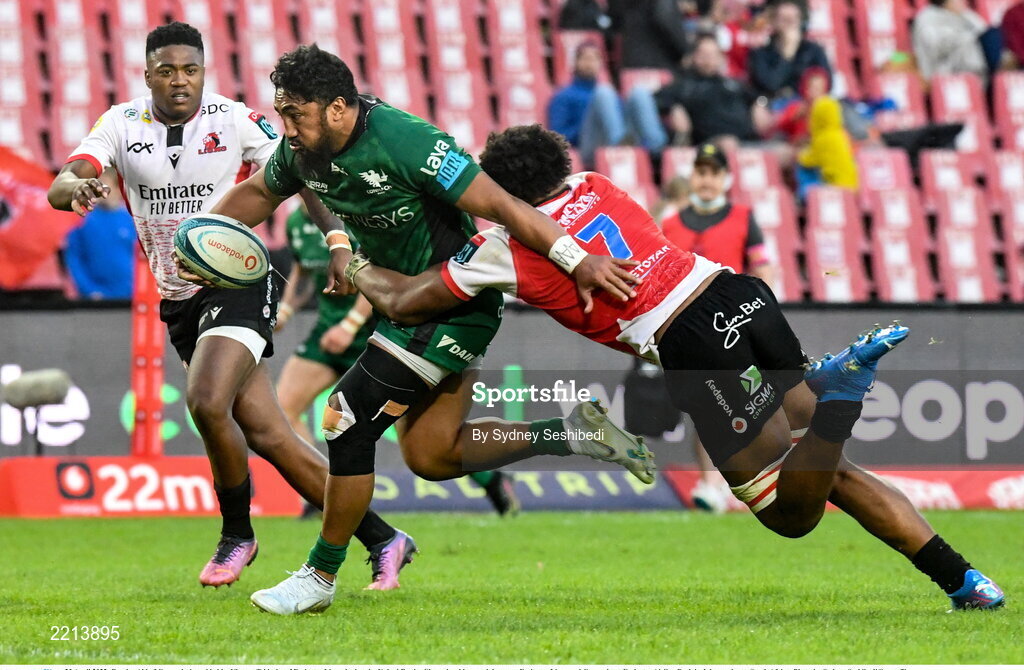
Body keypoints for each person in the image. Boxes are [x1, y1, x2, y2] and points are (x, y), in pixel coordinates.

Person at [350, 124, 1005, 612]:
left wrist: (348, 261)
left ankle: (843, 393)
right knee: (828, 471)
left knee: (786, 510)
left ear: (503, 191)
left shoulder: (505, 245)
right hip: (740, 295)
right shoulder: (597, 186)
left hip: (693, 341)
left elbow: (410, 298)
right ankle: (964, 581)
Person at [193, 45, 655, 615]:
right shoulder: (300, 152)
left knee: (346, 417)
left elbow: (504, 207)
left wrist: (576, 258)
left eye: (296, 114)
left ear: (339, 108)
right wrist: (203, 230)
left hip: (449, 303)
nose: (285, 127)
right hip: (404, 308)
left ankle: (319, 575)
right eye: (282, 113)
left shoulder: (407, 141)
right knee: (432, 456)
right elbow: (260, 193)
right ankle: (573, 433)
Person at [46, 22, 412, 591]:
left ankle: (237, 533)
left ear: (203, 72)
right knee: (268, 434)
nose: (179, 81)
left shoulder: (234, 118)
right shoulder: (119, 123)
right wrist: (77, 188)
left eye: (190, 70)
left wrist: (338, 241)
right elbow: (69, 177)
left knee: (207, 401)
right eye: (166, 71)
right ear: (148, 76)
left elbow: (301, 179)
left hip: (239, 278)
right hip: (179, 299)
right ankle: (383, 537)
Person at [275, 202, 521, 518]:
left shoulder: (349, 211)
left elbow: (375, 270)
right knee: (285, 406)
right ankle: (318, 492)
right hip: (327, 332)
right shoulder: (295, 221)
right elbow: (303, 269)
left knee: (420, 441)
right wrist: (286, 309)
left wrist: (349, 326)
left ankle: (490, 477)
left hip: (378, 330)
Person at [659, 143, 773, 510]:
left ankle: (742, 479)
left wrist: (762, 315)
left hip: (735, 327)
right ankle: (711, 485)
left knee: (750, 404)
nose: (706, 180)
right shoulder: (671, 223)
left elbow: (762, 268)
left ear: (725, 178)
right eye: (701, 172)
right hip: (688, 330)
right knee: (707, 406)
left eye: (714, 173)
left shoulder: (743, 217)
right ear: (692, 176)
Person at [547, 42, 668, 167]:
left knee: (639, 92)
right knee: (603, 93)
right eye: (585, 58)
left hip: (622, 138)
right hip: (588, 147)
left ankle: (657, 150)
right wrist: (586, 123)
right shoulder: (564, 95)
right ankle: (618, 146)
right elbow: (557, 137)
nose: (590, 63)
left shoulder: (612, 95)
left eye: (594, 59)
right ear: (576, 62)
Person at [654, 33, 774, 148]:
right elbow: (657, 99)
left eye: (714, 55)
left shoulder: (733, 83)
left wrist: (759, 104)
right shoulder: (684, 85)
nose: (709, 59)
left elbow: (758, 96)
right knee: (728, 144)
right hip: (709, 145)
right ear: (694, 56)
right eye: (705, 54)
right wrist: (674, 107)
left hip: (748, 141)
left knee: (786, 152)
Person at [63, 169, 136, 300]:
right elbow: (74, 258)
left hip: (130, 297)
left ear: (118, 188)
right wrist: (89, 290)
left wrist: (138, 289)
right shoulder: (81, 221)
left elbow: (144, 260)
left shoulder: (133, 221)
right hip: (96, 299)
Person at [747, 0, 831, 100]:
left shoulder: (813, 50)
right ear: (774, 21)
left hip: (807, 104)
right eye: (785, 20)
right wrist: (787, 54)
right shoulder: (760, 54)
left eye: (793, 20)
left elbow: (827, 83)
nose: (789, 26)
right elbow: (770, 85)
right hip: (774, 105)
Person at [795, 95, 859, 199]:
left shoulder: (823, 138)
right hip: (852, 185)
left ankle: (802, 201)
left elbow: (810, 160)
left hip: (835, 185)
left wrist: (800, 156)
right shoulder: (842, 134)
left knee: (803, 172)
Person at [912, 0, 990, 82]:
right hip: (941, 69)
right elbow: (935, 48)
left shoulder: (967, 14)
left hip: (974, 65)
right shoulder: (926, 17)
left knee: (992, 37)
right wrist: (964, 39)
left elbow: (983, 33)